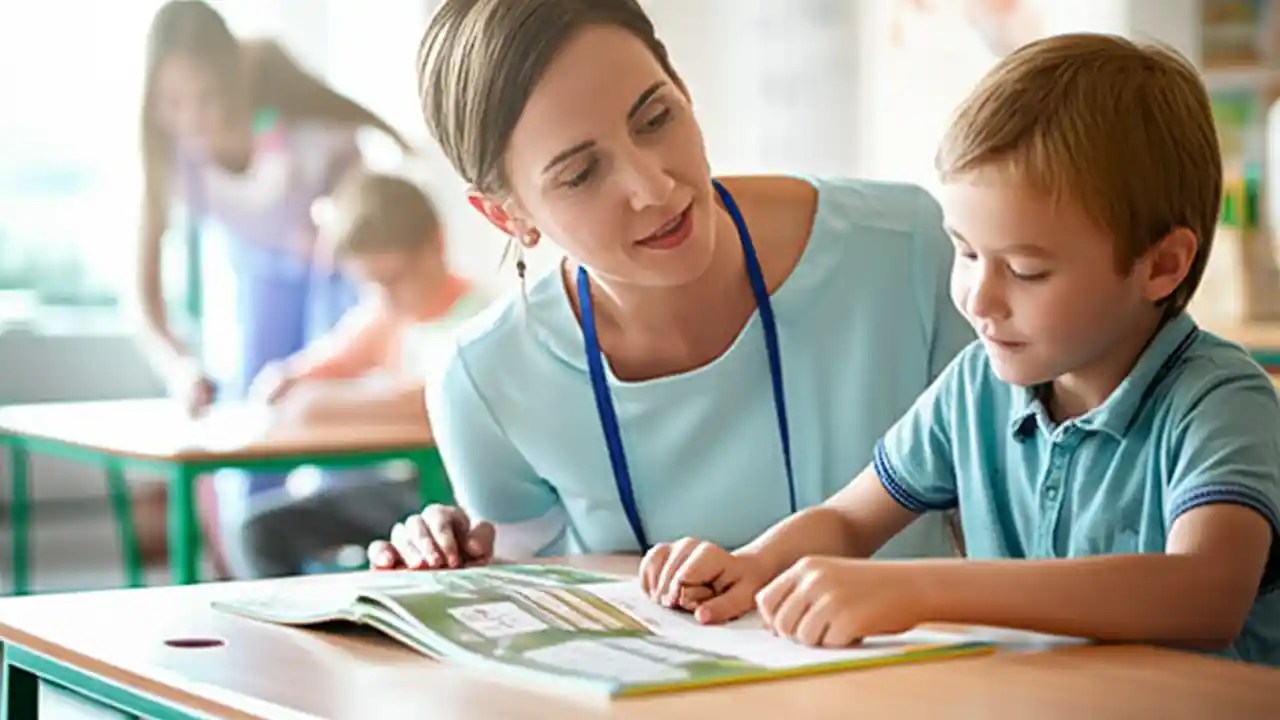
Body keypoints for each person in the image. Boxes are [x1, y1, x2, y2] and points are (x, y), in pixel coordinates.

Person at [640, 34, 1280, 667]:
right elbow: (848, 521)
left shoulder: (1221, 401)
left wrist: (923, 587)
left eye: (1027, 270)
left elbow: (1205, 595)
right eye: (966, 252)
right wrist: (751, 564)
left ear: (1161, 265)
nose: (979, 299)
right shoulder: (978, 384)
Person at [365, 0, 974, 571]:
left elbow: (1017, 525)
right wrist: (458, 564)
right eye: (581, 174)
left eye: (656, 118)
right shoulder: (487, 385)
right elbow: (537, 600)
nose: (652, 188)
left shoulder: (906, 250)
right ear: (506, 215)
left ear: (682, 90)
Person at [132, 0, 411, 571]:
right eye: (173, 103)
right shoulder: (166, 154)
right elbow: (145, 293)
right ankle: (252, 571)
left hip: (332, 270)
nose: (195, 118)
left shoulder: (282, 94)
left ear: (234, 77)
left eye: (208, 97)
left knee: (329, 418)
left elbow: (355, 141)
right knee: (254, 425)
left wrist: (343, 211)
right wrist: (180, 367)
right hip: (259, 279)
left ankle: (355, 564)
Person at [234, 172, 490, 578]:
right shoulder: (387, 313)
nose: (383, 296)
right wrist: (289, 379)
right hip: (401, 493)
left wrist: (317, 403)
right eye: (369, 284)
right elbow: (314, 369)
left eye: (391, 280)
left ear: (435, 246)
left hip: (451, 499)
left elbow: (427, 401)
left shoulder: (478, 322)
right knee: (259, 530)